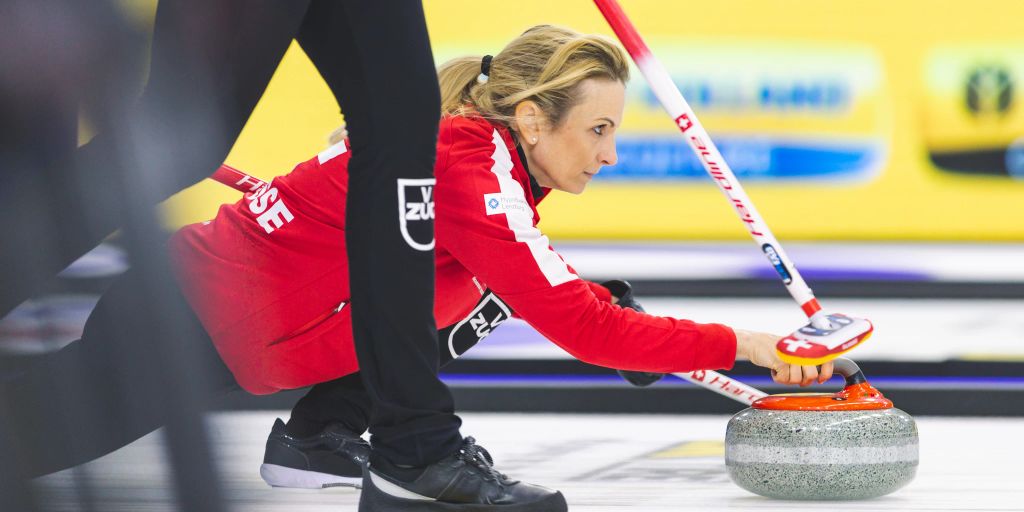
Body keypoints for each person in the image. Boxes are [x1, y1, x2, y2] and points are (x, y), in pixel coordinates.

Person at [2, 25, 833, 512]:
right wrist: (744, 344)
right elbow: (578, 325)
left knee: (471, 296)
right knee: (22, 444)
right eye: (600, 131)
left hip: (209, 325)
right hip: (177, 326)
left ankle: (321, 431)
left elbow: (541, 287)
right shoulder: (470, 170)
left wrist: (646, 332)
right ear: (534, 120)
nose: (610, 155)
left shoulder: (472, 159)